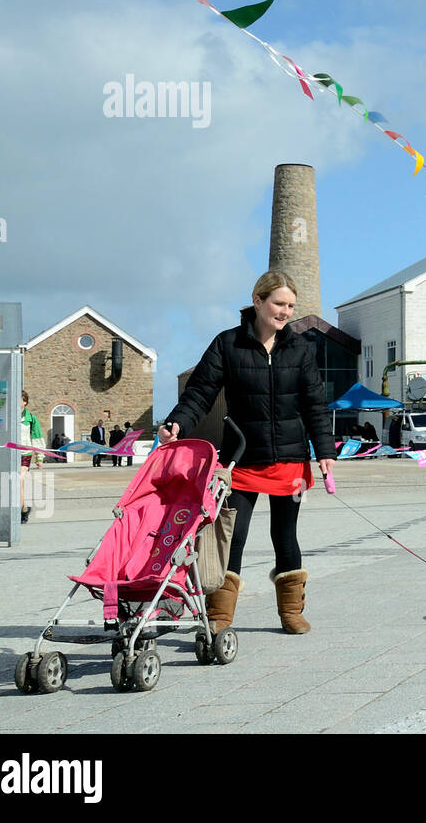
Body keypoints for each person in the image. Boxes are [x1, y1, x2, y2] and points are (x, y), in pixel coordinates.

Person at [159, 271, 335, 635]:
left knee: (285, 536)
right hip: (240, 461)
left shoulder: (300, 349)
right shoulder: (228, 344)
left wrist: (325, 450)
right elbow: (199, 393)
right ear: (258, 301)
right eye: (278, 304)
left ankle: (291, 611)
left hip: (291, 461)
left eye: (290, 305)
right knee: (231, 536)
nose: (285, 312)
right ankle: (220, 614)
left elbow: (315, 405)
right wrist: (177, 424)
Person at [18, 391, 45, 523]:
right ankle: (24, 508)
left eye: (19, 399)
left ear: (25, 402)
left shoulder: (31, 418)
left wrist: (39, 458)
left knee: (18, 480)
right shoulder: (8, 416)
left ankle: (19, 512)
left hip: (25, 455)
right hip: (10, 453)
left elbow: (37, 438)